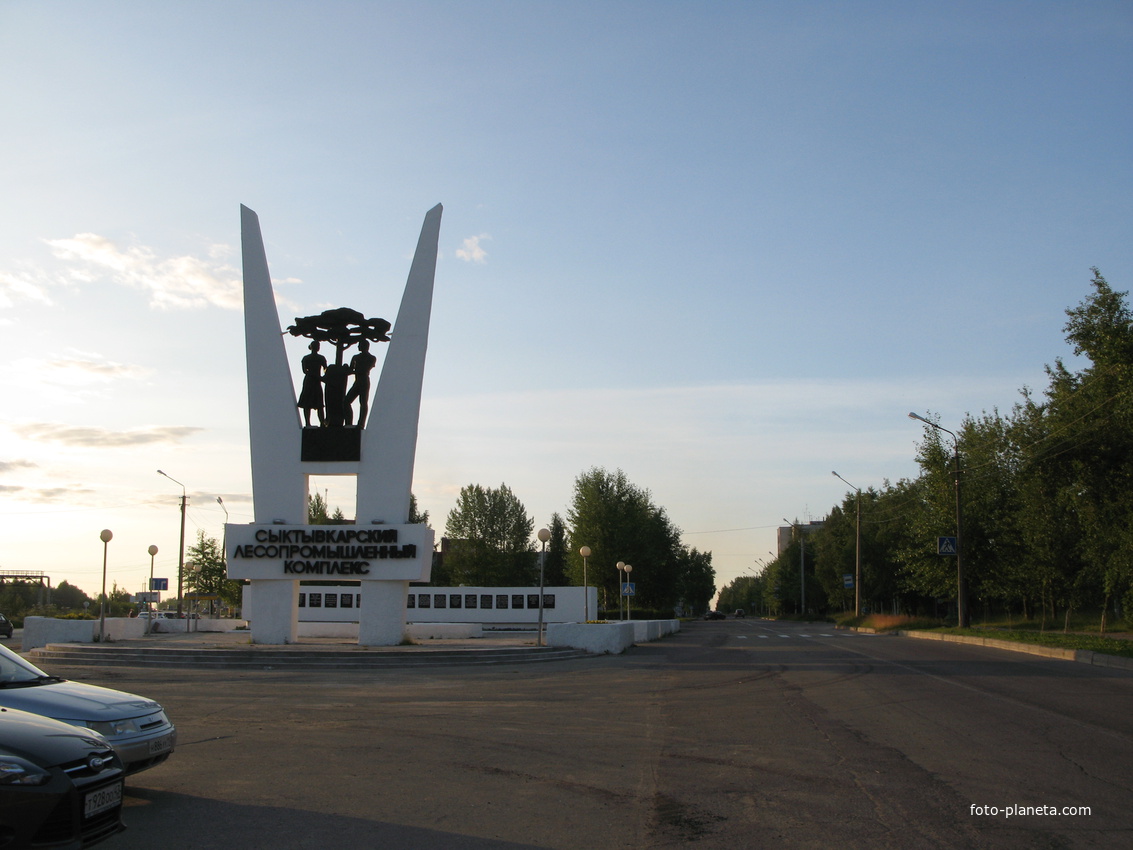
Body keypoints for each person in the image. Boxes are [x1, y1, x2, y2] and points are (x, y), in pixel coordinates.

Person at [344, 339, 378, 427]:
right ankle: (348, 422)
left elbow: (365, 369)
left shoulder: (372, 358)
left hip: (364, 380)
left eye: (360, 345)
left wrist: (354, 371)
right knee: (346, 401)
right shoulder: (355, 357)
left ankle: (361, 423)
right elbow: (351, 370)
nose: (358, 347)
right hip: (357, 381)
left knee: (363, 402)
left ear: (365, 346)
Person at [297, 342, 327, 426]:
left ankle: (320, 423)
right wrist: (320, 377)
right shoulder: (315, 358)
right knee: (310, 404)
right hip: (313, 380)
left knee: (318, 404)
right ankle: (310, 423)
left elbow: (325, 369)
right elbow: (305, 371)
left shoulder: (317, 358)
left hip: (313, 380)